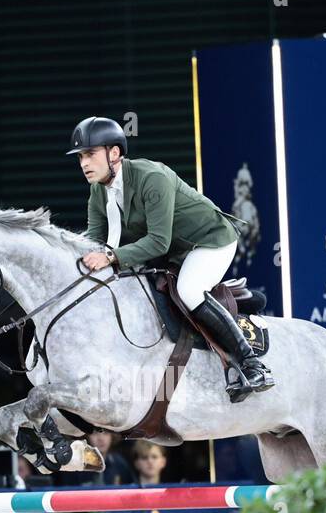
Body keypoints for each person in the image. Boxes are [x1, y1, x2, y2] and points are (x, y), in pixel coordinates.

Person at [69, 116, 274, 403]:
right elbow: (93, 241)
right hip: (173, 252)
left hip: (209, 241)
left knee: (188, 290)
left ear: (114, 153)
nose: (84, 163)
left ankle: (252, 365)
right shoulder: (97, 191)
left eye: (89, 154)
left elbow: (157, 241)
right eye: (80, 157)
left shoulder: (152, 178)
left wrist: (112, 257)